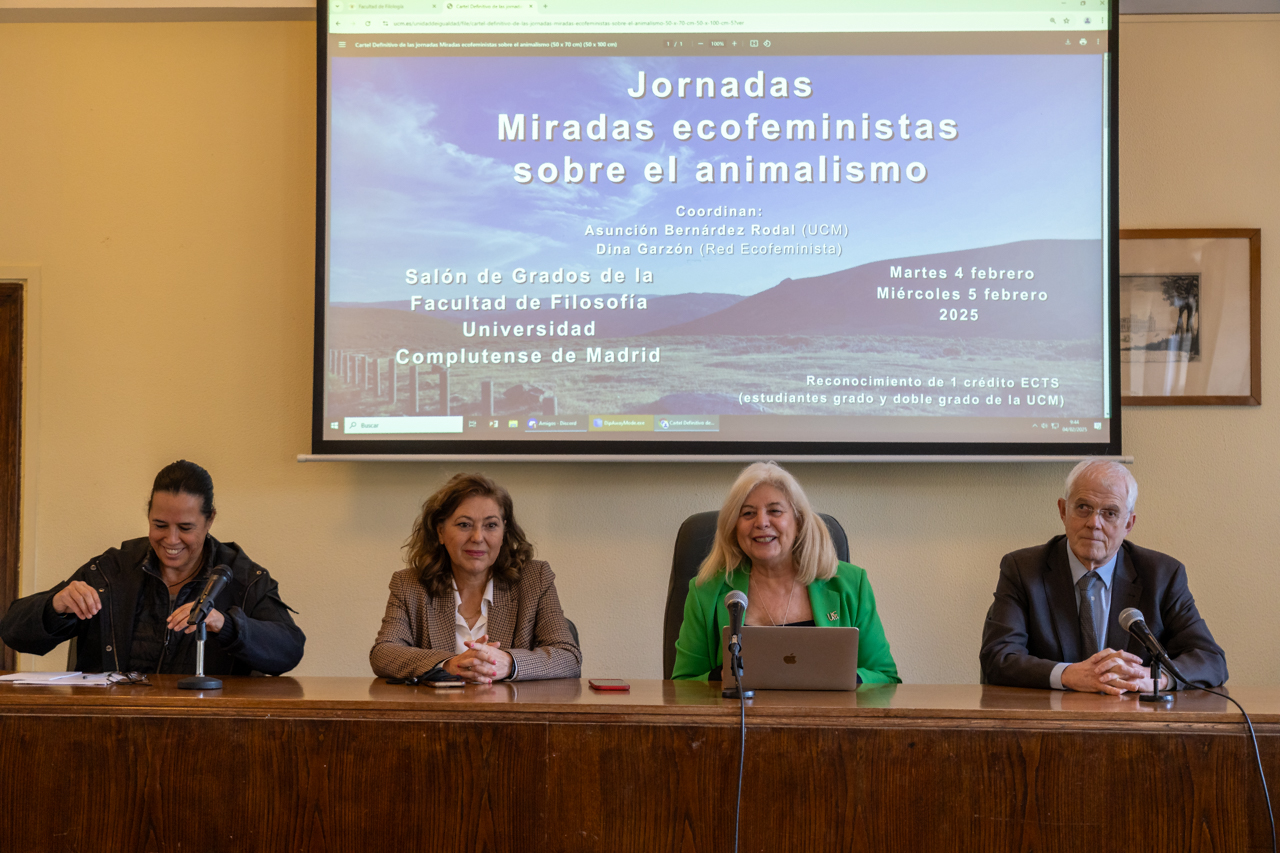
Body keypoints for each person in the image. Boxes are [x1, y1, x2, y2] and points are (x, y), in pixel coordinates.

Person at [0, 460, 305, 675]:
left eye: (185, 527)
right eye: (159, 525)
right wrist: (55, 606)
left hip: (208, 736)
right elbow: (13, 631)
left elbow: (289, 650)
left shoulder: (242, 578)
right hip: (109, 731)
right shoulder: (110, 571)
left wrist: (223, 624)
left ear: (210, 520)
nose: (171, 539)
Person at [979, 459, 1227, 693]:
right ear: (1063, 511)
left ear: (1128, 524)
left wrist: (1155, 679)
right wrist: (1068, 675)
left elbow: (1210, 659)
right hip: (1049, 723)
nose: (1094, 523)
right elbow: (998, 657)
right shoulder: (1023, 569)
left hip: (1135, 723)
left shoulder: (1162, 575)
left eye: (1110, 513)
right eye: (1084, 508)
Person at [672, 461, 899, 684]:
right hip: (738, 719)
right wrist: (719, 678)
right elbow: (682, 685)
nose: (761, 522)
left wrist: (847, 679)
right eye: (748, 514)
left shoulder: (850, 584)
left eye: (775, 511)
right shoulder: (706, 592)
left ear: (798, 521)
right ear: (734, 526)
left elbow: (886, 678)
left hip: (827, 719)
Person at [370, 472, 581, 682]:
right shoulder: (409, 585)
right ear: (440, 531)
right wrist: (449, 664)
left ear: (504, 532)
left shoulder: (535, 579)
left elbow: (568, 657)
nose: (478, 537)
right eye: (464, 525)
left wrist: (510, 663)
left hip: (513, 712)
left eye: (491, 525)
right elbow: (383, 654)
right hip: (436, 713)